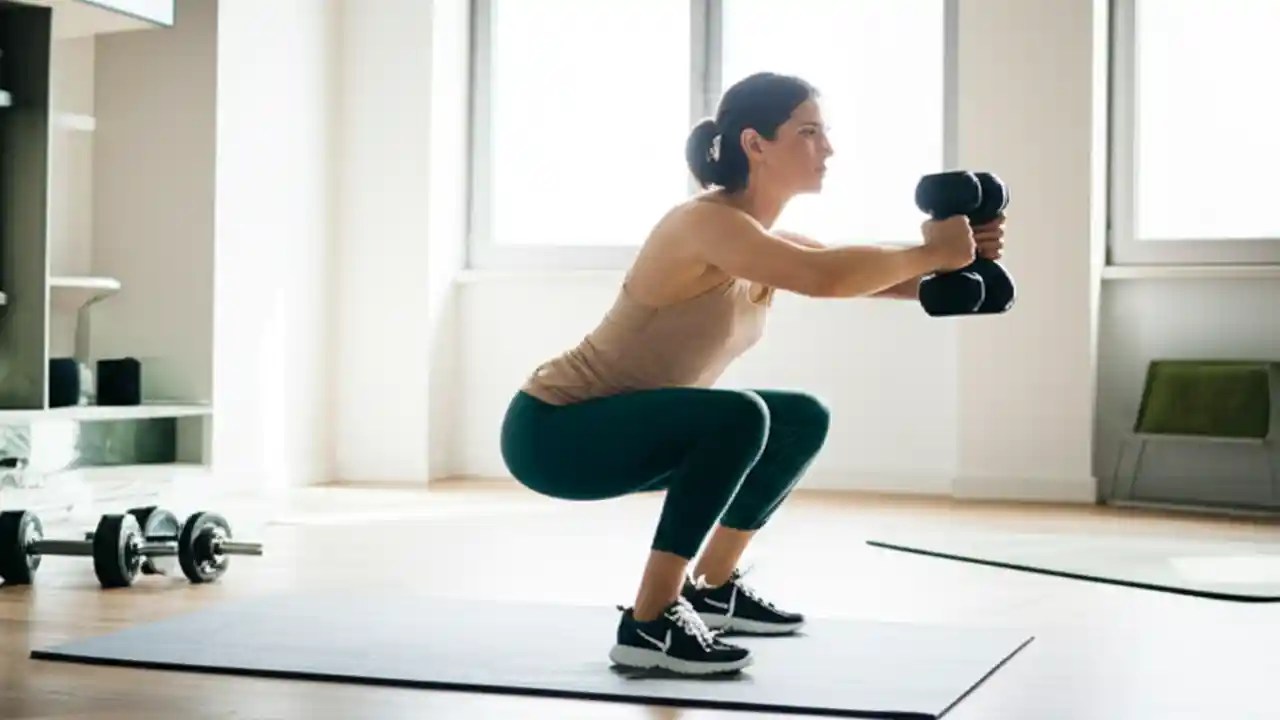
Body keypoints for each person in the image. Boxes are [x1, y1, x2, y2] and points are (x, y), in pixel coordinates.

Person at [499, 72, 1006, 676]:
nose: (828, 149)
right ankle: (650, 620)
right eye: (809, 132)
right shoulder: (703, 224)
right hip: (554, 433)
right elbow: (826, 278)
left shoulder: (764, 238)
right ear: (754, 144)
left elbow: (873, 276)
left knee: (800, 417)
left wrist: (961, 258)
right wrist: (933, 253)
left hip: (626, 432)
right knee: (740, 416)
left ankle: (713, 590)